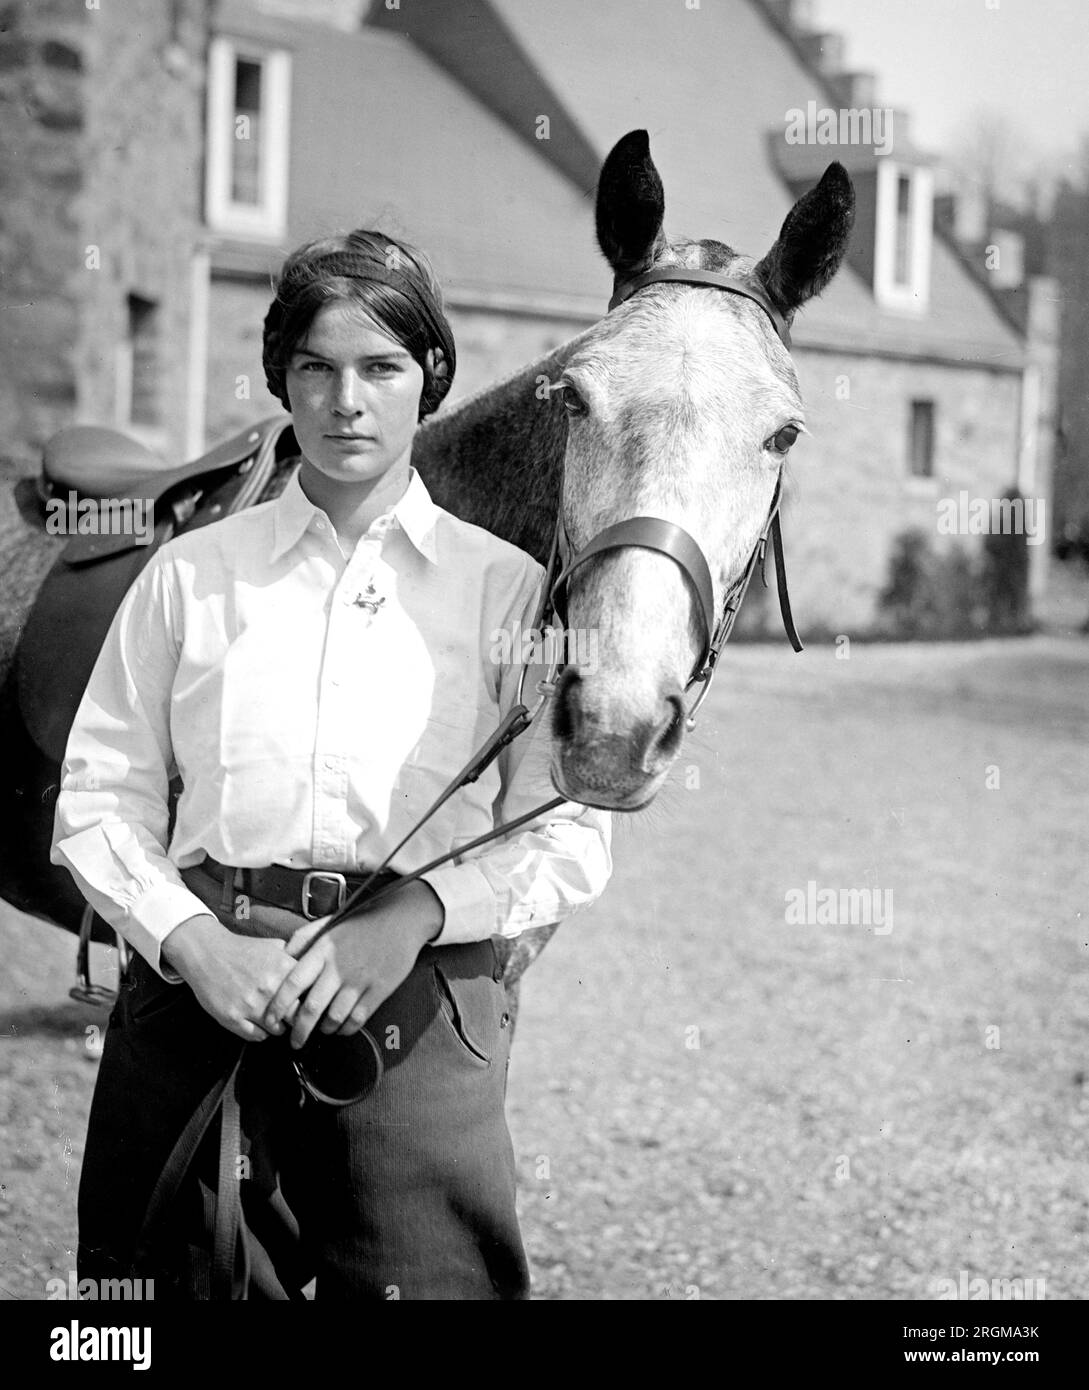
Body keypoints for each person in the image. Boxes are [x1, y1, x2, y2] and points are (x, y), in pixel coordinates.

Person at [51, 229, 613, 1300]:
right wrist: (193, 943)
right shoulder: (188, 577)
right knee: (147, 1304)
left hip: (416, 1010)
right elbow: (99, 794)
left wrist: (408, 919)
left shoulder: (507, 595)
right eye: (317, 367)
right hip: (199, 1000)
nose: (346, 400)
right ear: (283, 380)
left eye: (381, 368)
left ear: (429, 382)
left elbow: (569, 829)